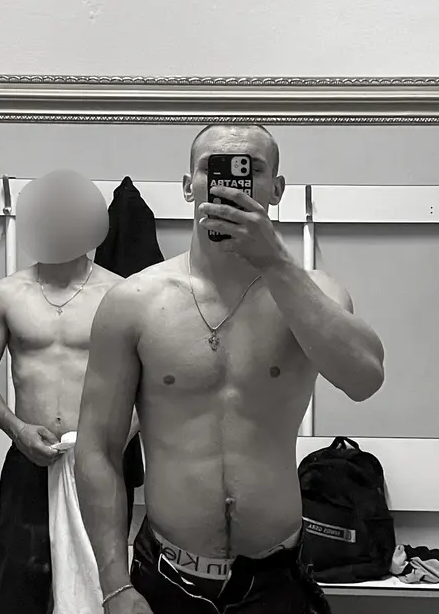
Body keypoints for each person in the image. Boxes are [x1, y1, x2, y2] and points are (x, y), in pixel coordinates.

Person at [74, 125, 385, 614]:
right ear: (188, 186)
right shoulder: (132, 302)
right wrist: (114, 584)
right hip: (164, 574)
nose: (229, 183)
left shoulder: (314, 293)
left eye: (252, 170)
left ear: (276, 189)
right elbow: (98, 448)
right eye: (211, 169)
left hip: (277, 576)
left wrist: (276, 262)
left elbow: (365, 379)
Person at [0, 170, 138, 614]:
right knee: (19, 590)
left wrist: (110, 443)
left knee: (100, 587)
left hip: (100, 461)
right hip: (28, 457)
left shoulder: (121, 294)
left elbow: (150, 387)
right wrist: (16, 429)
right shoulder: (7, 295)